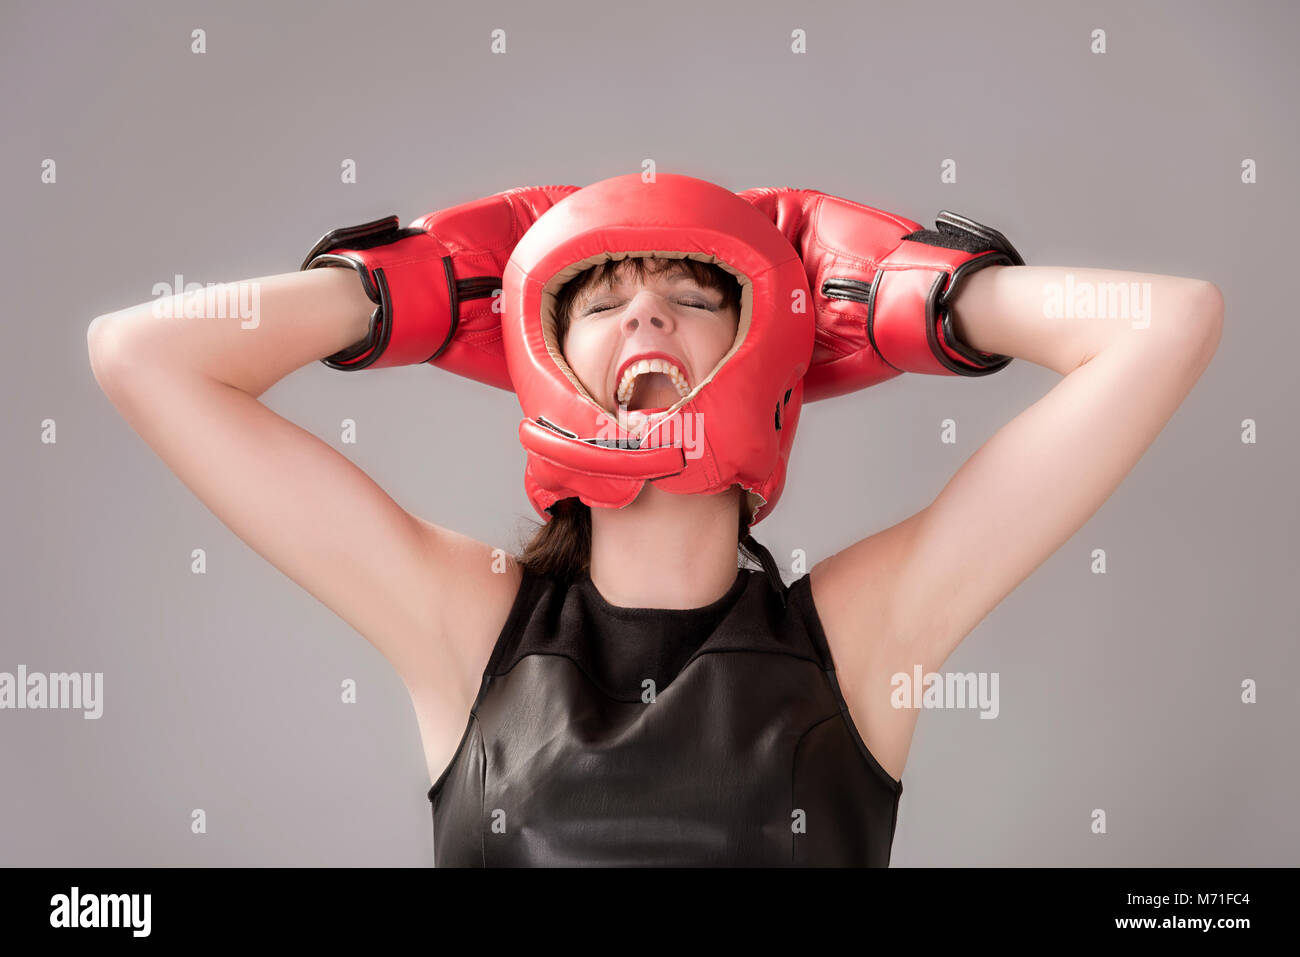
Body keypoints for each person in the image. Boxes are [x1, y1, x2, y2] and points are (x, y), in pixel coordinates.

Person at [87, 174, 1223, 866]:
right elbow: (142, 356)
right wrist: (414, 289)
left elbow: (1165, 326)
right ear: (542, 360)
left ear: (763, 345)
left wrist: (918, 294)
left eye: (692, 298)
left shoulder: (861, 637)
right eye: (597, 301)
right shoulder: (468, 622)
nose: (646, 314)